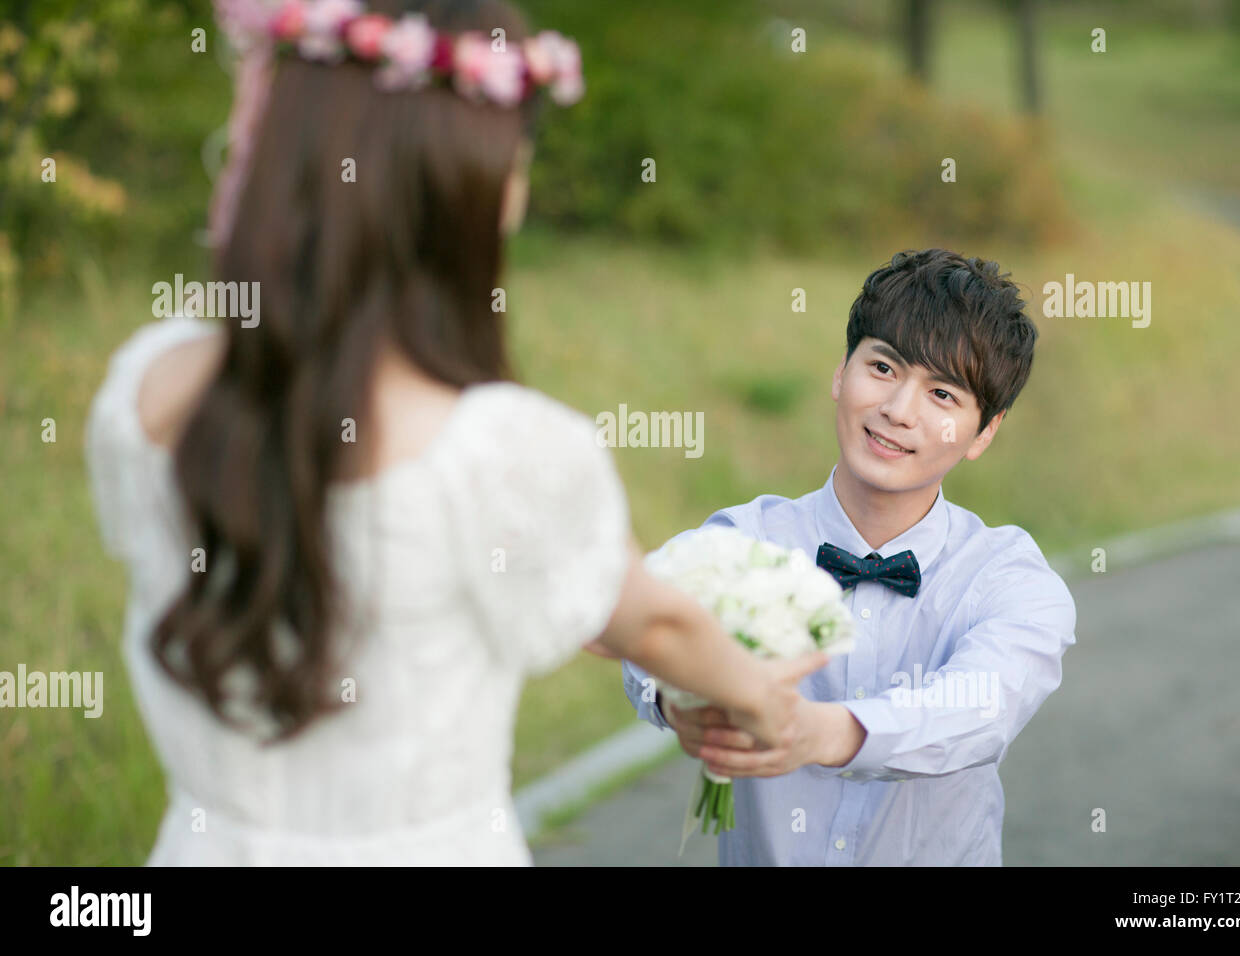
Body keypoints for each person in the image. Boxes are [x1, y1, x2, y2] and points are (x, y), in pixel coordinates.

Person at [83, 0, 826, 866]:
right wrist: (764, 700)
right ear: (475, 192)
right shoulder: (501, 451)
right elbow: (654, 626)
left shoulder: (144, 389)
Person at [624, 248, 1079, 865]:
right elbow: (650, 614)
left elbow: (980, 706)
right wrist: (680, 698)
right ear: (841, 372)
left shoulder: (1008, 579)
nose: (898, 410)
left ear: (985, 431)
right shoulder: (746, 539)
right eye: (884, 368)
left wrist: (821, 733)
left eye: (942, 394)